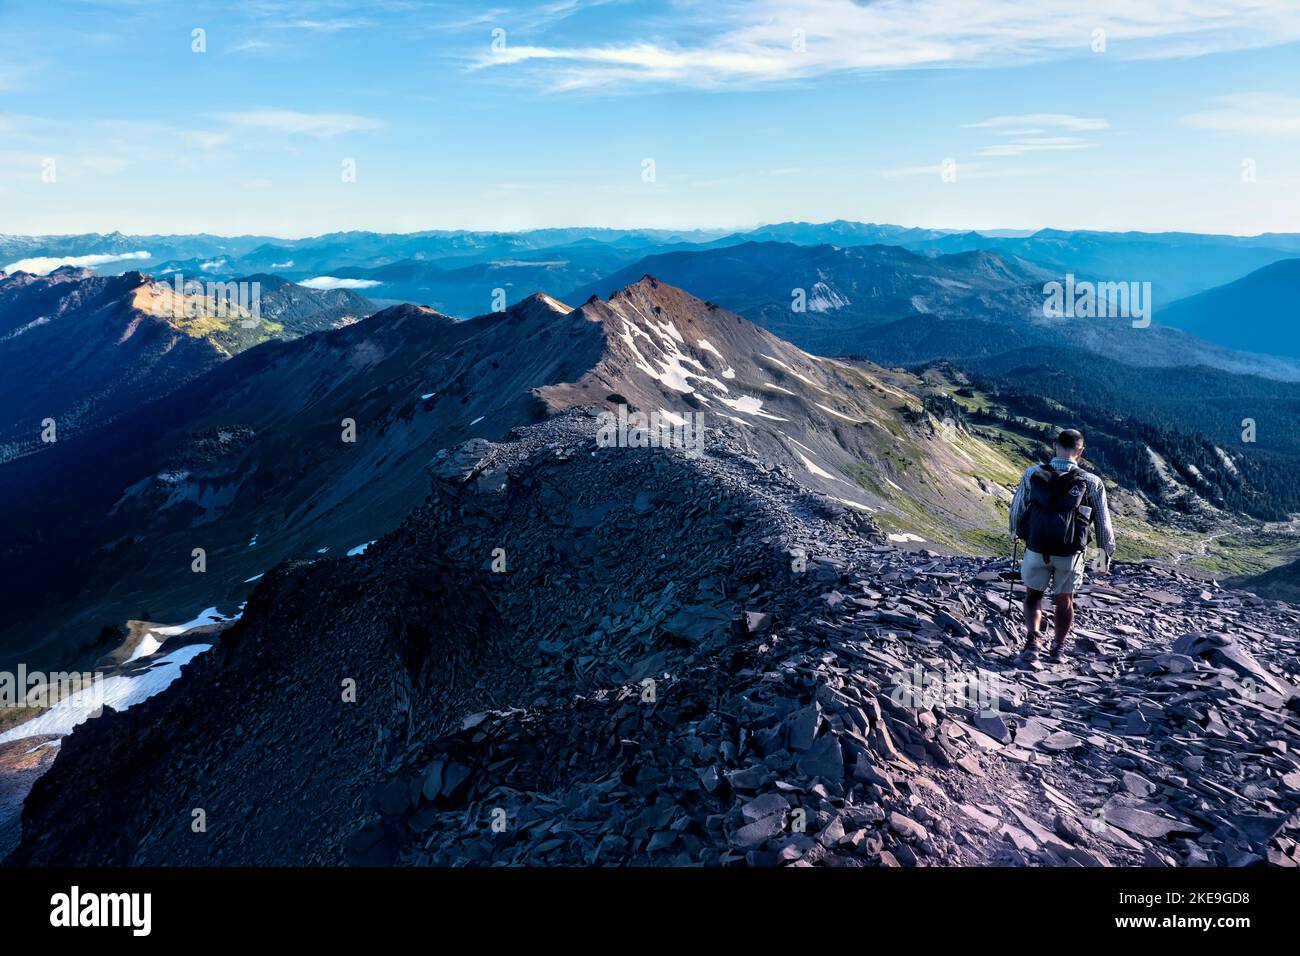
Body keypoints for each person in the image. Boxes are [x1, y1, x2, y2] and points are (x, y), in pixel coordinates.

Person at [1009, 428, 1114, 663]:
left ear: (1054, 445)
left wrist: (1015, 533)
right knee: (1065, 599)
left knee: (1033, 596)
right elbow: (1102, 521)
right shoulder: (1091, 481)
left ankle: (1033, 641)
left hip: (1037, 547)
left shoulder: (1033, 474)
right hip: (1070, 552)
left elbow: (1017, 507)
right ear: (1081, 451)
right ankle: (1057, 649)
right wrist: (1103, 556)